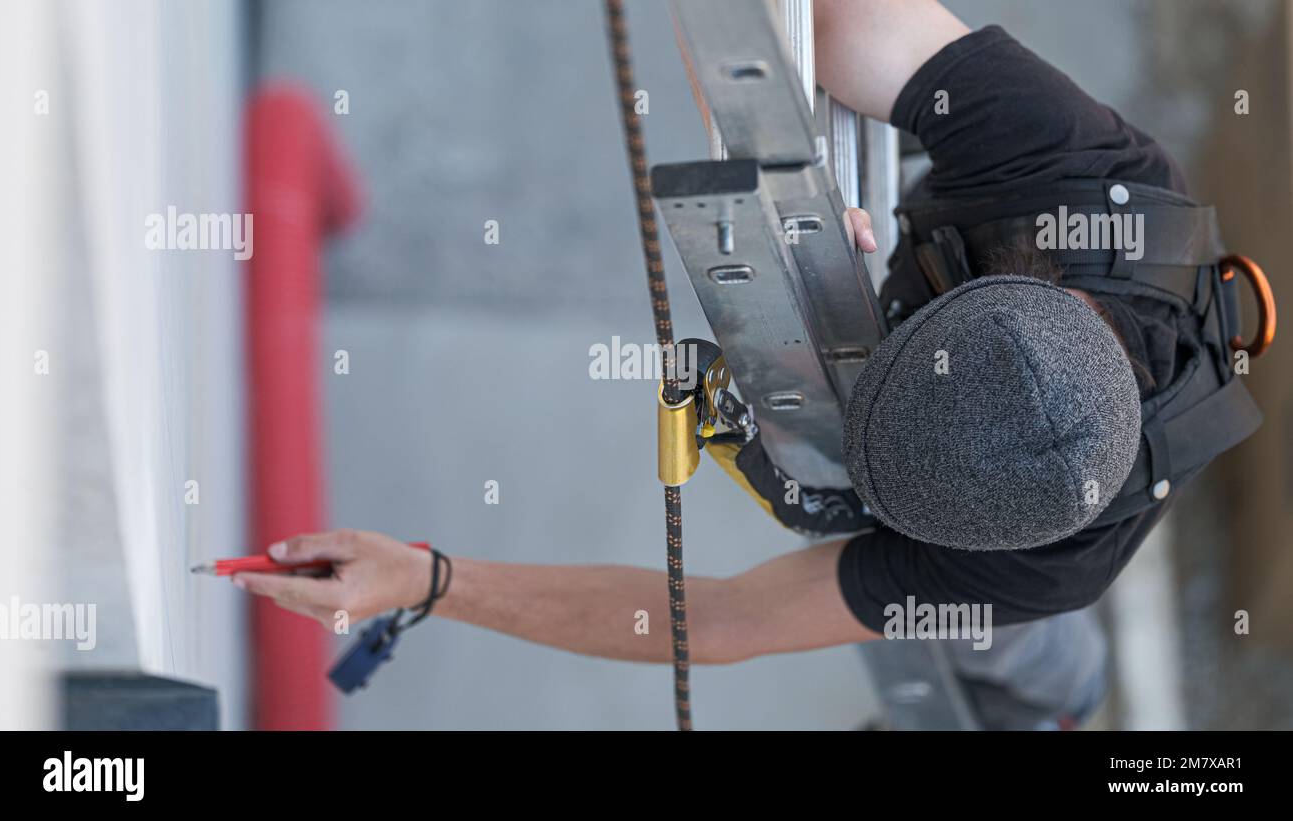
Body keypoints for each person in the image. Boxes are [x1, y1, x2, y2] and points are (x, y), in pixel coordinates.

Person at [235, 0, 1261, 729]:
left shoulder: (1045, 557)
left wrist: (431, 577)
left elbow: (718, 619)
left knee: (1025, 657)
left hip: (1040, 585)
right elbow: (817, 24)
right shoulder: (1079, 174)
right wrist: (771, 162)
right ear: (1000, 292)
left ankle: (1057, 706)